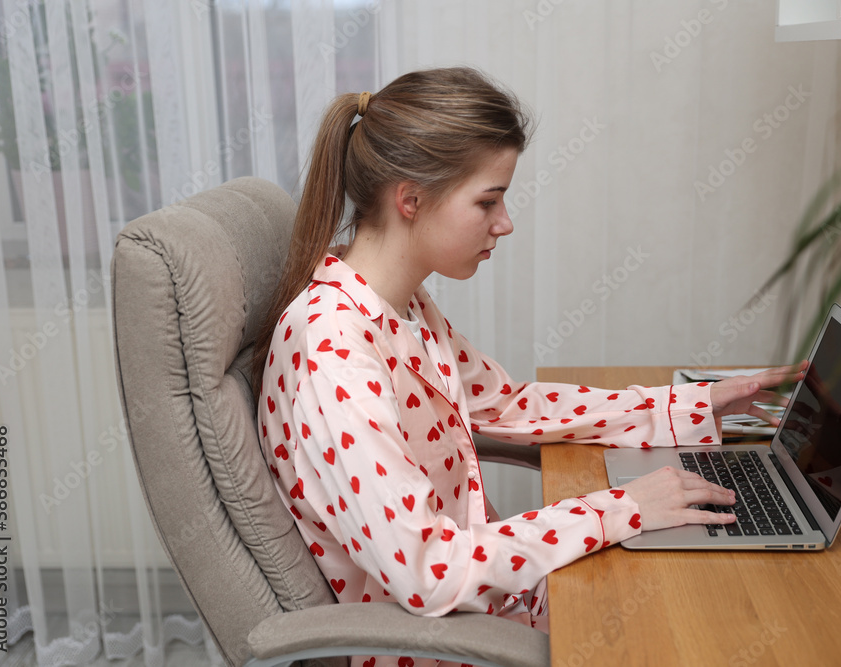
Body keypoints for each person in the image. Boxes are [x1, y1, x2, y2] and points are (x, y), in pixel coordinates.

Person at [251, 66, 806, 667]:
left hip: (487, 608)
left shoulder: (395, 305)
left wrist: (688, 406)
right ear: (410, 199)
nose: (505, 222)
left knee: (713, 599)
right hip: (441, 643)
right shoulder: (333, 350)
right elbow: (428, 573)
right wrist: (621, 508)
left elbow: (507, 403)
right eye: (488, 201)